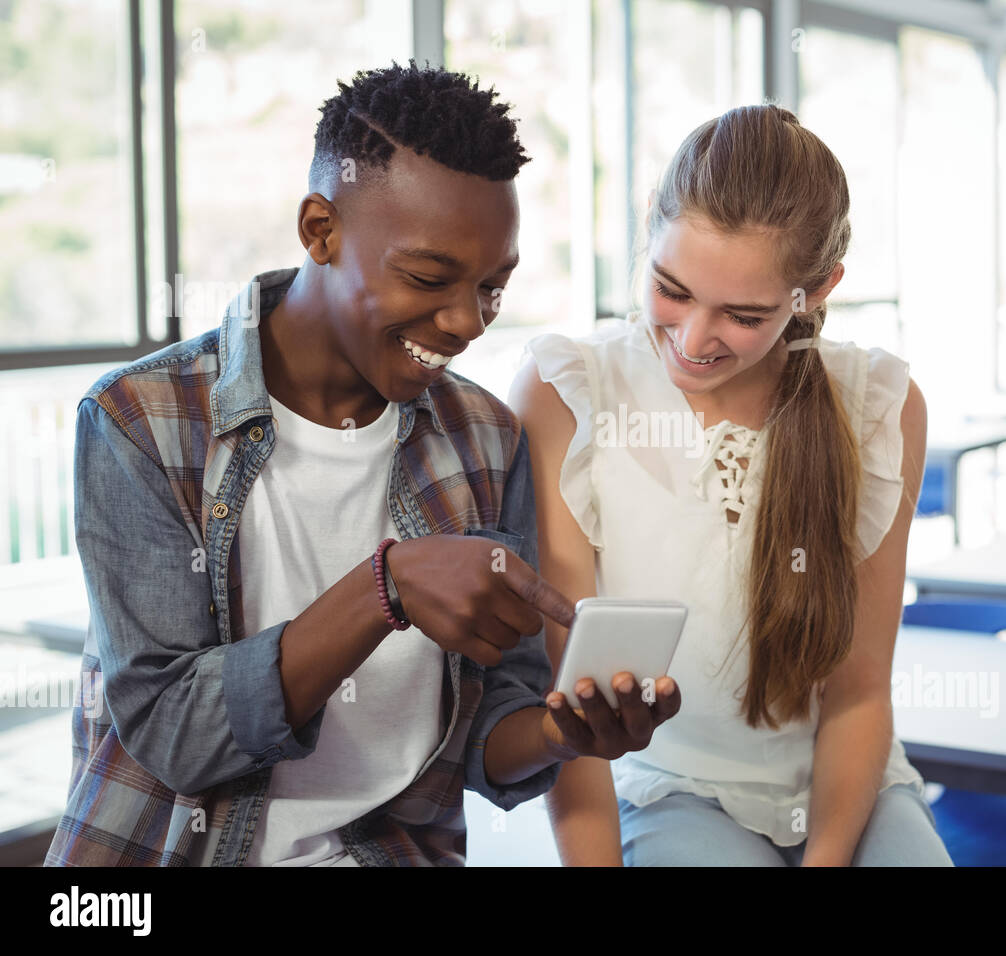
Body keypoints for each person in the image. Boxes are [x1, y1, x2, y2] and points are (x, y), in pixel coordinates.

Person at [44, 61, 679, 867]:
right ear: (320, 229)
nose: (465, 322)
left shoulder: (486, 437)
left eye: (492, 286)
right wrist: (386, 585)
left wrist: (562, 734)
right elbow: (175, 736)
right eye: (428, 277)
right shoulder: (142, 423)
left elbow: (489, 727)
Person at [511, 104, 953, 866]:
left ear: (814, 290)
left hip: (852, 788)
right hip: (668, 789)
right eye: (672, 289)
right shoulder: (567, 392)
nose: (692, 340)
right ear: (649, 227)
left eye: (744, 315)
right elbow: (573, 706)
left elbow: (858, 695)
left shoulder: (879, 407)